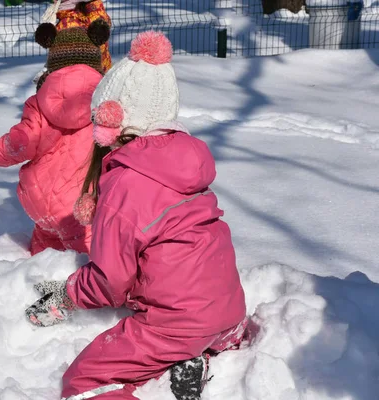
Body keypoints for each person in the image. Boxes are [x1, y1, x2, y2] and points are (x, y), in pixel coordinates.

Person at [25, 31, 248, 399]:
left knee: (83, 382)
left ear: (112, 120)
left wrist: (65, 297)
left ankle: (179, 352)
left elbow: (110, 281)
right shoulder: (183, 163)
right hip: (228, 315)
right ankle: (197, 356)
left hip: (176, 326)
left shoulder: (126, 185)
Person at [0, 19, 110, 256]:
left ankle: (31, 280)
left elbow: (21, 141)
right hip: (80, 208)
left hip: (38, 201)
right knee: (82, 261)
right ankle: (70, 289)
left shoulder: (39, 102)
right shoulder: (106, 103)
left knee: (47, 239)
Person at [34, 0, 112, 85]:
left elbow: (67, 65)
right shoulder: (95, 11)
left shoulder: (69, 23)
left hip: (79, 85)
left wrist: (47, 79)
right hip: (102, 79)